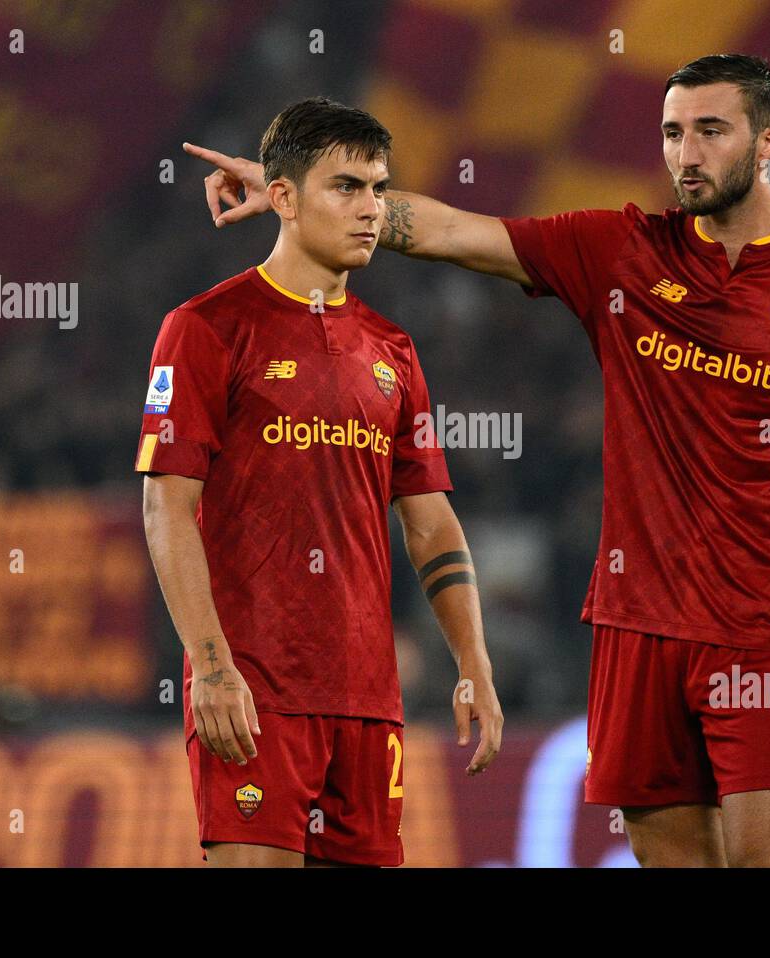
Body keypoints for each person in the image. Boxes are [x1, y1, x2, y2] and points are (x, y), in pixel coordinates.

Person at [186, 53, 770, 868]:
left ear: (767, 143)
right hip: (634, 628)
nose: (686, 155)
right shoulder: (622, 252)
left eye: (710, 132)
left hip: (765, 630)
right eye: (672, 133)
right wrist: (289, 203)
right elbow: (446, 230)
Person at [140, 96, 502, 868]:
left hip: (370, 702)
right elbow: (166, 506)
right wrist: (210, 665)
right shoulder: (205, 329)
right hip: (254, 691)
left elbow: (431, 523)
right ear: (284, 198)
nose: (371, 209)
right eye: (347, 187)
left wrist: (474, 662)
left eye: (378, 187)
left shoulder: (393, 349)